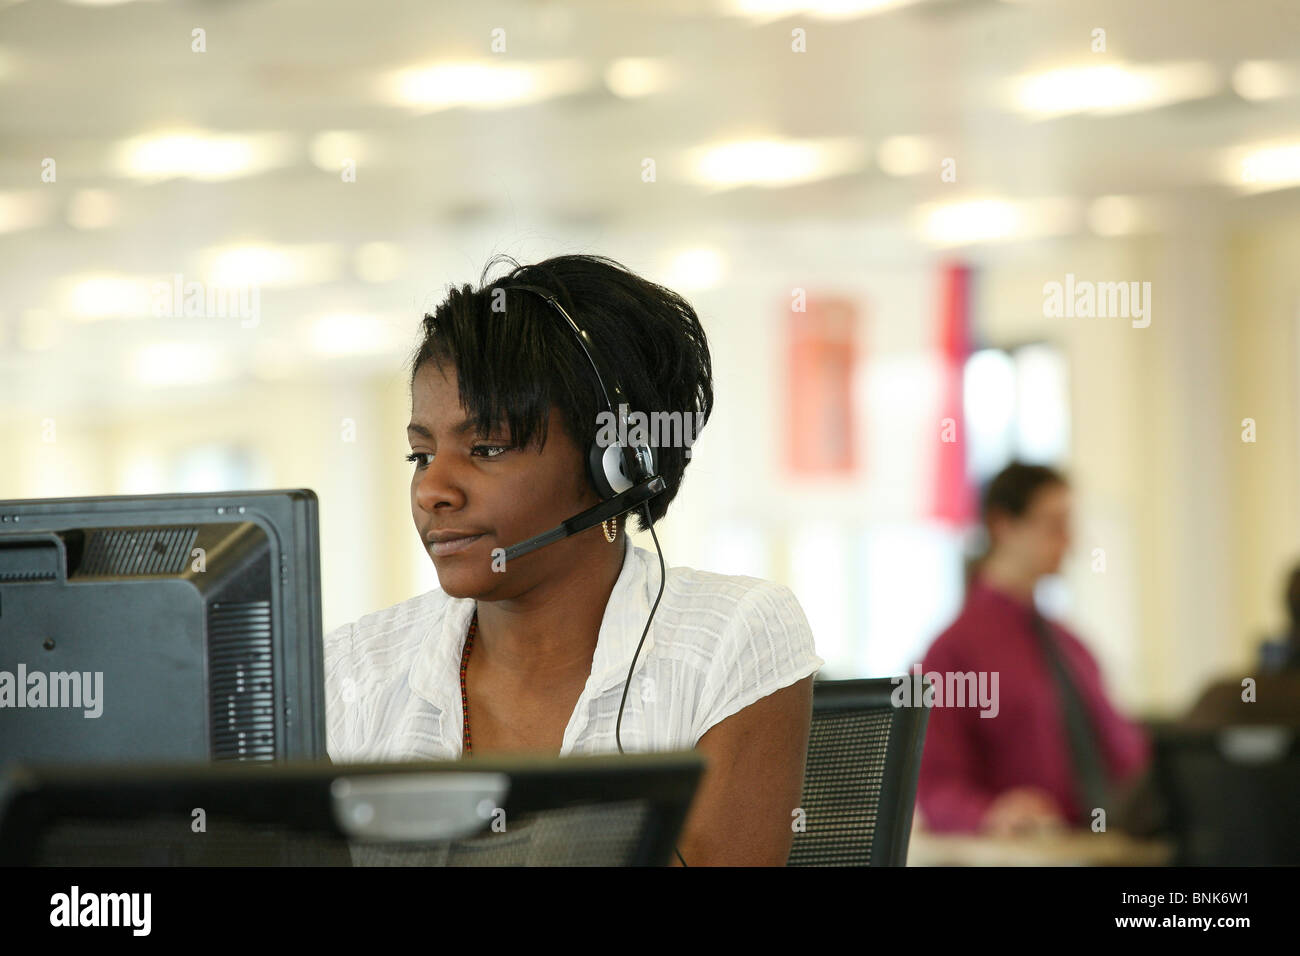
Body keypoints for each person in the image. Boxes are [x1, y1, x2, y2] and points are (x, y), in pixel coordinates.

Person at [324, 253, 823, 865]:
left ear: (616, 466)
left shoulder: (731, 635)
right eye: (420, 456)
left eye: (486, 447)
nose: (432, 491)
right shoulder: (352, 671)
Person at [915, 462, 1149, 836]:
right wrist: (988, 813)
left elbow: (1126, 756)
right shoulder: (952, 652)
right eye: (1054, 526)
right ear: (1002, 525)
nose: (1070, 542)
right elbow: (932, 784)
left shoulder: (1073, 648)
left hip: (1101, 845)